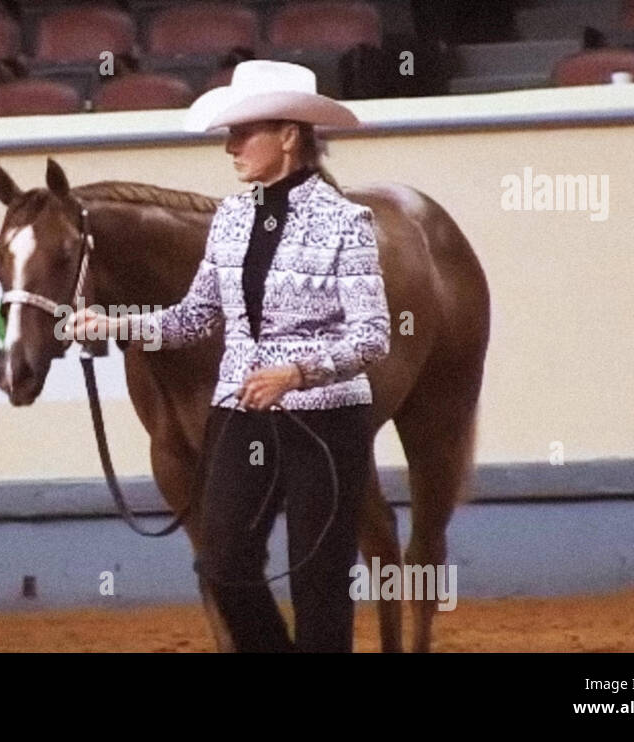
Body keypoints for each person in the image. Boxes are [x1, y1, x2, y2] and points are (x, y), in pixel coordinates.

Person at [68, 60, 391, 652]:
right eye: (229, 133)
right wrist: (116, 323)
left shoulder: (348, 222)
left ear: (290, 135)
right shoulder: (230, 219)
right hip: (241, 415)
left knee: (320, 583)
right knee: (221, 562)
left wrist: (297, 372)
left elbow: (372, 337)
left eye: (244, 132)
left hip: (327, 420)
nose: (231, 147)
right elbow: (196, 316)